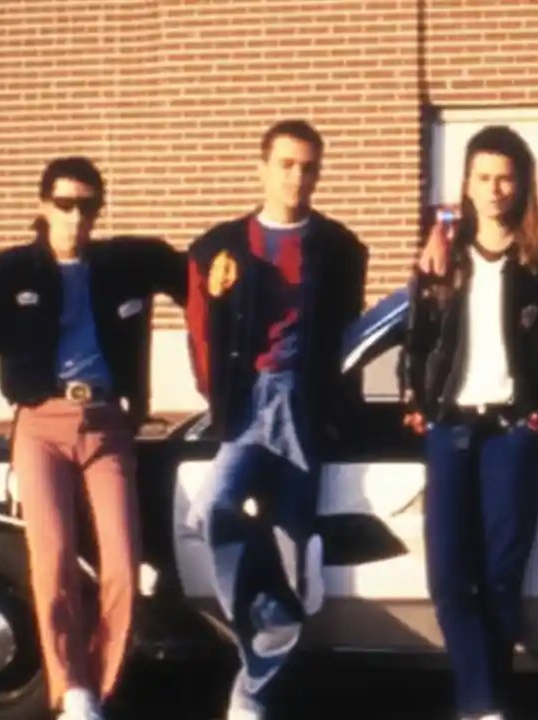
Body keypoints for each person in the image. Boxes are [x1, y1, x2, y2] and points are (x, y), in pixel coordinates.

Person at [0, 156, 187, 720]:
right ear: (43, 207)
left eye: (88, 205)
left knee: (122, 563)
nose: (76, 216)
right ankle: (74, 692)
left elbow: (197, 275)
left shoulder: (123, 264)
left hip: (107, 427)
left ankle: (100, 685)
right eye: (64, 204)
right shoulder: (13, 270)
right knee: (55, 559)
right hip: (40, 424)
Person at [184, 119, 369, 720]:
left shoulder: (341, 248)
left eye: (309, 166)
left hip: (303, 405)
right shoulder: (218, 245)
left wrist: (338, 414)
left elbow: (347, 339)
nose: (298, 176)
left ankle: (253, 693)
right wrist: (216, 397)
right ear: (262, 168)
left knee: (291, 555)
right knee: (216, 507)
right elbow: (198, 332)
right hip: (245, 405)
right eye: (286, 164)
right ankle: (268, 624)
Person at [397, 125, 538, 720]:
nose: (495, 189)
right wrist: (413, 399)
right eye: (483, 177)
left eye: (505, 178)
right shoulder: (440, 257)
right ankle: (485, 705)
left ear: (522, 184)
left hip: (515, 433)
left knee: (499, 580)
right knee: (448, 579)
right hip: (451, 429)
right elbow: (415, 340)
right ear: (466, 185)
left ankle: (482, 706)